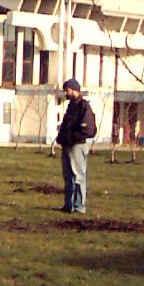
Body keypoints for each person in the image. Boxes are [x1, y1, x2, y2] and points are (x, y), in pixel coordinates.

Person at [55, 79, 94, 214]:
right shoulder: (71, 106)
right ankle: (68, 205)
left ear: (75, 90)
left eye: (68, 90)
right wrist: (62, 138)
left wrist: (72, 137)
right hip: (67, 145)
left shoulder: (84, 106)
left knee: (78, 176)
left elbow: (88, 129)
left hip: (77, 145)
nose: (66, 93)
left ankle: (79, 206)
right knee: (68, 176)